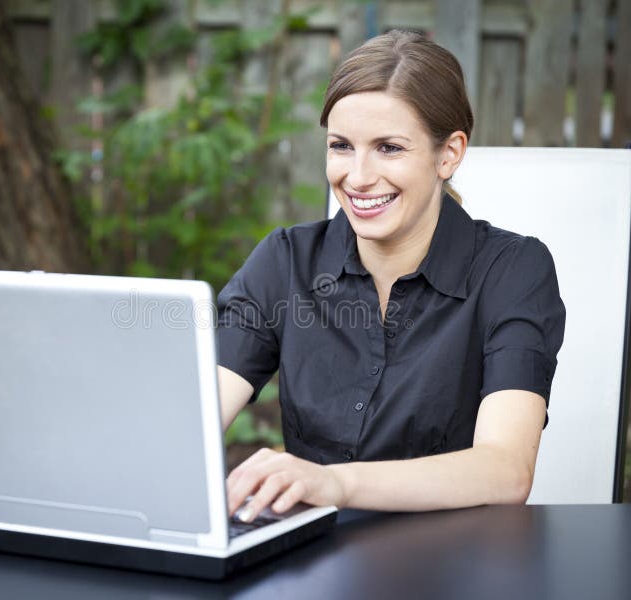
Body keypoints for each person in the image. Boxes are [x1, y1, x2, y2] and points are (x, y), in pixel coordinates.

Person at [216, 29, 565, 523]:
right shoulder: (285, 260)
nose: (357, 176)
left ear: (449, 154)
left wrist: (335, 482)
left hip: (454, 566)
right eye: (341, 146)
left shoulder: (513, 271)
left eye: (389, 148)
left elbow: (506, 470)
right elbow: (195, 418)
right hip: (312, 564)